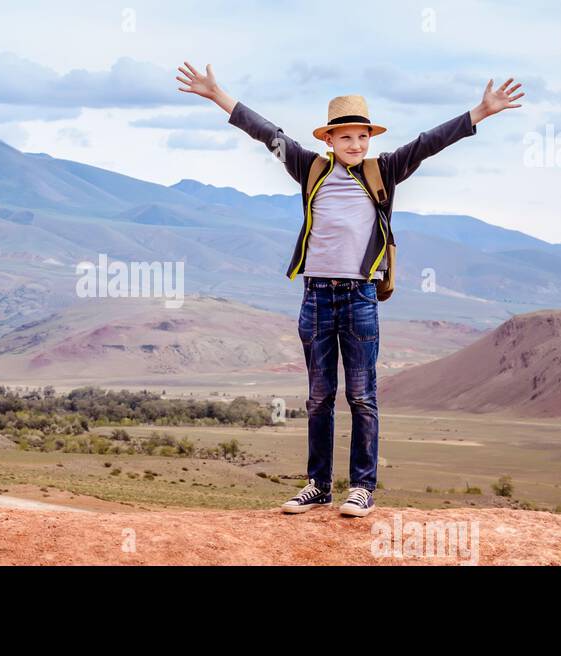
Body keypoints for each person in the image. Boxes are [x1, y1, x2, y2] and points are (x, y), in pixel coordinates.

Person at [176, 62, 523, 517]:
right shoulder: (309, 168)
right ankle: (318, 485)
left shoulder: (384, 171)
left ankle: (361, 488)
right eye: (345, 138)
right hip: (316, 295)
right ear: (328, 140)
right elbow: (266, 132)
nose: (355, 144)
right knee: (319, 396)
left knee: (361, 394)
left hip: (359, 297)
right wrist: (218, 95)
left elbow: (428, 143)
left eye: (362, 136)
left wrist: (480, 111)